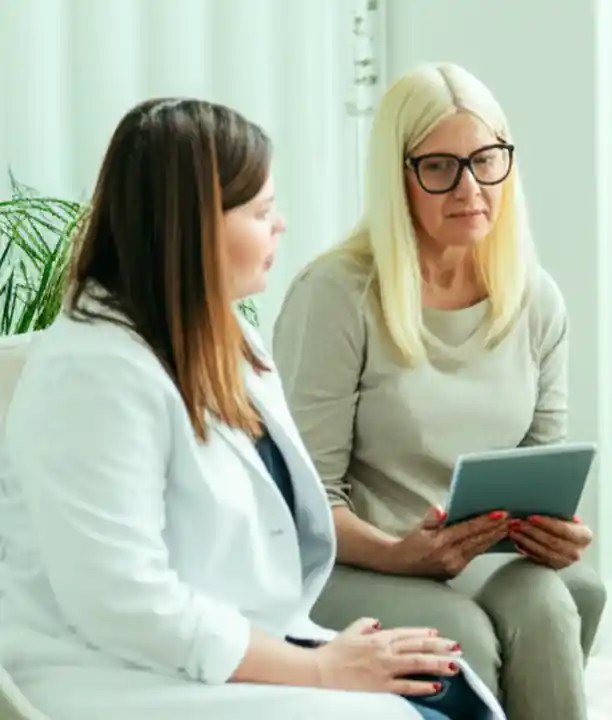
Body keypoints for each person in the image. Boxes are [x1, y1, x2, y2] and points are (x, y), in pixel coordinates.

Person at [0, 98, 503, 720]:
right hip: (119, 678)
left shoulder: (226, 337)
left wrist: (327, 661)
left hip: (228, 653)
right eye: (263, 211)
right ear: (195, 226)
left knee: (448, 692)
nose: (281, 225)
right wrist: (323, 669)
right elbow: (125, 605)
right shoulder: (92, 376)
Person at [272, 63, 605, 720]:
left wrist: (556, 531)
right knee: (463, 640)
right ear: (398, 177)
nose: (470, 187)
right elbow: (306, 505)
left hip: (470, 554)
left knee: (557, 600)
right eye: (440, 167)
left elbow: (541, 463)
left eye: (486, 160)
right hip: (351, 557)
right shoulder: (336, 294)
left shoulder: (535, 299)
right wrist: (400, 555)